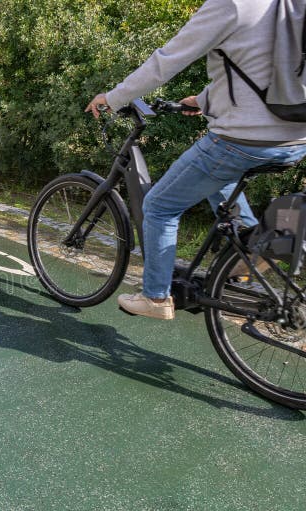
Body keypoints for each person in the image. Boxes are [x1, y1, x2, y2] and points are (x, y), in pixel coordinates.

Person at [85, 0, 306, 320]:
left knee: (159, 206)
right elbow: (268, 65)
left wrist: (114, 97)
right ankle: (248, 246)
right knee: (218, 174)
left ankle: (156, 297)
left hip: (243, 139)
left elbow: (167, 60)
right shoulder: (284, 5)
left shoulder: (231, 4)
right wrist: (203, 99)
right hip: (295, 140)